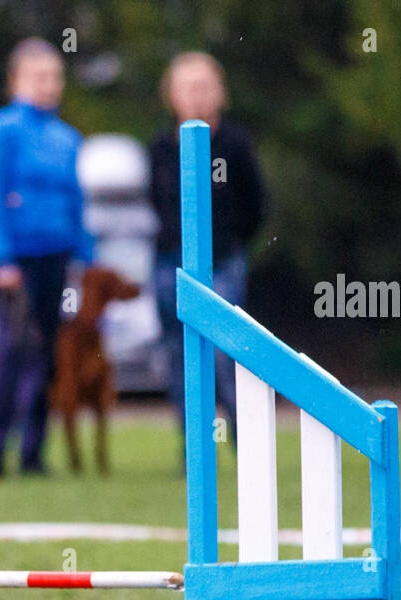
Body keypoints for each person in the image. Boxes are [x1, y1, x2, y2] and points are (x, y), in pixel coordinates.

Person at [0, 37, 93, 475]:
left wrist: (86, 255)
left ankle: (34, 451)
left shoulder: (68, 139)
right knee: (13, 349)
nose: (48, 85)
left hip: (58, 258)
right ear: (16, 80)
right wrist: (0, 257)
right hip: (16, 263)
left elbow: (78, 203)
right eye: (38, 76)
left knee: (50, 354)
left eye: (54, 77)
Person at [149, 51, 265, 451]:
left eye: (203, 87)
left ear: (219, 93)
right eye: (187, 87)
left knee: (225, 355)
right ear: (172, 95)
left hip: (223, 262)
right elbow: (156, 203)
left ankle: (242, 441)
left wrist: (230, 245)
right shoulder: (161, 146)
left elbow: (256, 206)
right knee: (178, 357)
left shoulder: (235, 143)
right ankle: (193, 447)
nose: (195, 96)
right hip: (170, 263)